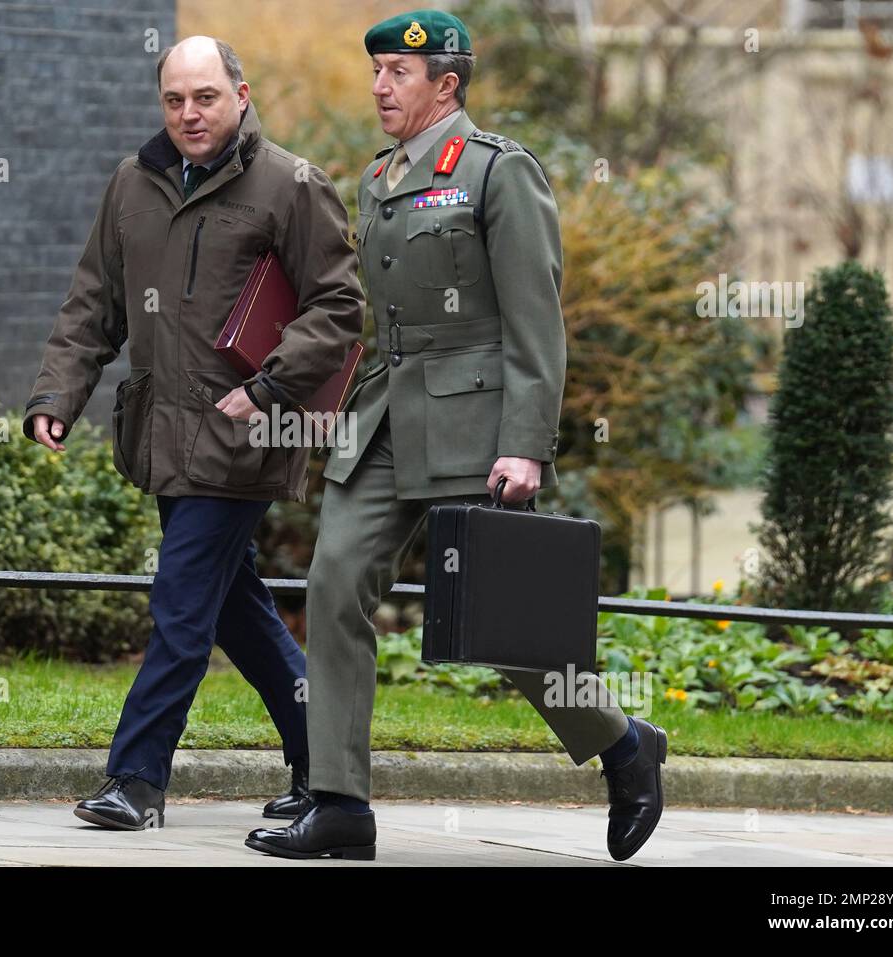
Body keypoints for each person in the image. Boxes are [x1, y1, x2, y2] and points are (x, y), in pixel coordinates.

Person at [245, 9, 666, 862]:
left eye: (397, 74)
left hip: (476, 422)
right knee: (333, 585)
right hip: (386, 414)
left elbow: (535, 318)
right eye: (374, 73)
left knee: (505, 624)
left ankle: (623, 744)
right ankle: (339, 803)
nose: (378, 87)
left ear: (447, 82)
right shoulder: (378, 178)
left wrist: (526, 440)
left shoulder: (497, 172)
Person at [23, 35, 364, 830]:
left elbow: (339, 309)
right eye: (175, 100)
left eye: (205, 97)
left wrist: (270, 384)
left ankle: (137, 778)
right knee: (232, 605)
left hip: (247, 434)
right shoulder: (131, 185)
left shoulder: (290, 186)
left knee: (179, 604)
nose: (189, 114)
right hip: (163, 436)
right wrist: (55, 396)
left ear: (240, 95)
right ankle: (326, 760)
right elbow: (91, 305)